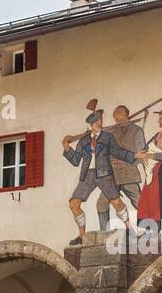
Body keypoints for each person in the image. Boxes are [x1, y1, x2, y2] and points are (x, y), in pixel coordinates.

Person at [63, 99, 150, 244]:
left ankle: (131, 229)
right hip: (87, 176)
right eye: (97, 121)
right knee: (74, 204)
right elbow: (75, 160)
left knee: (117, 203)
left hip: (105, 174)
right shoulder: (83, 140)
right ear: (91, 124)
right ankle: (82, 236)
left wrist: (134, 155)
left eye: (101, 120)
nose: (100, 123)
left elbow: (118, 152)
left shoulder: (108, 137)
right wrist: (67, 148)